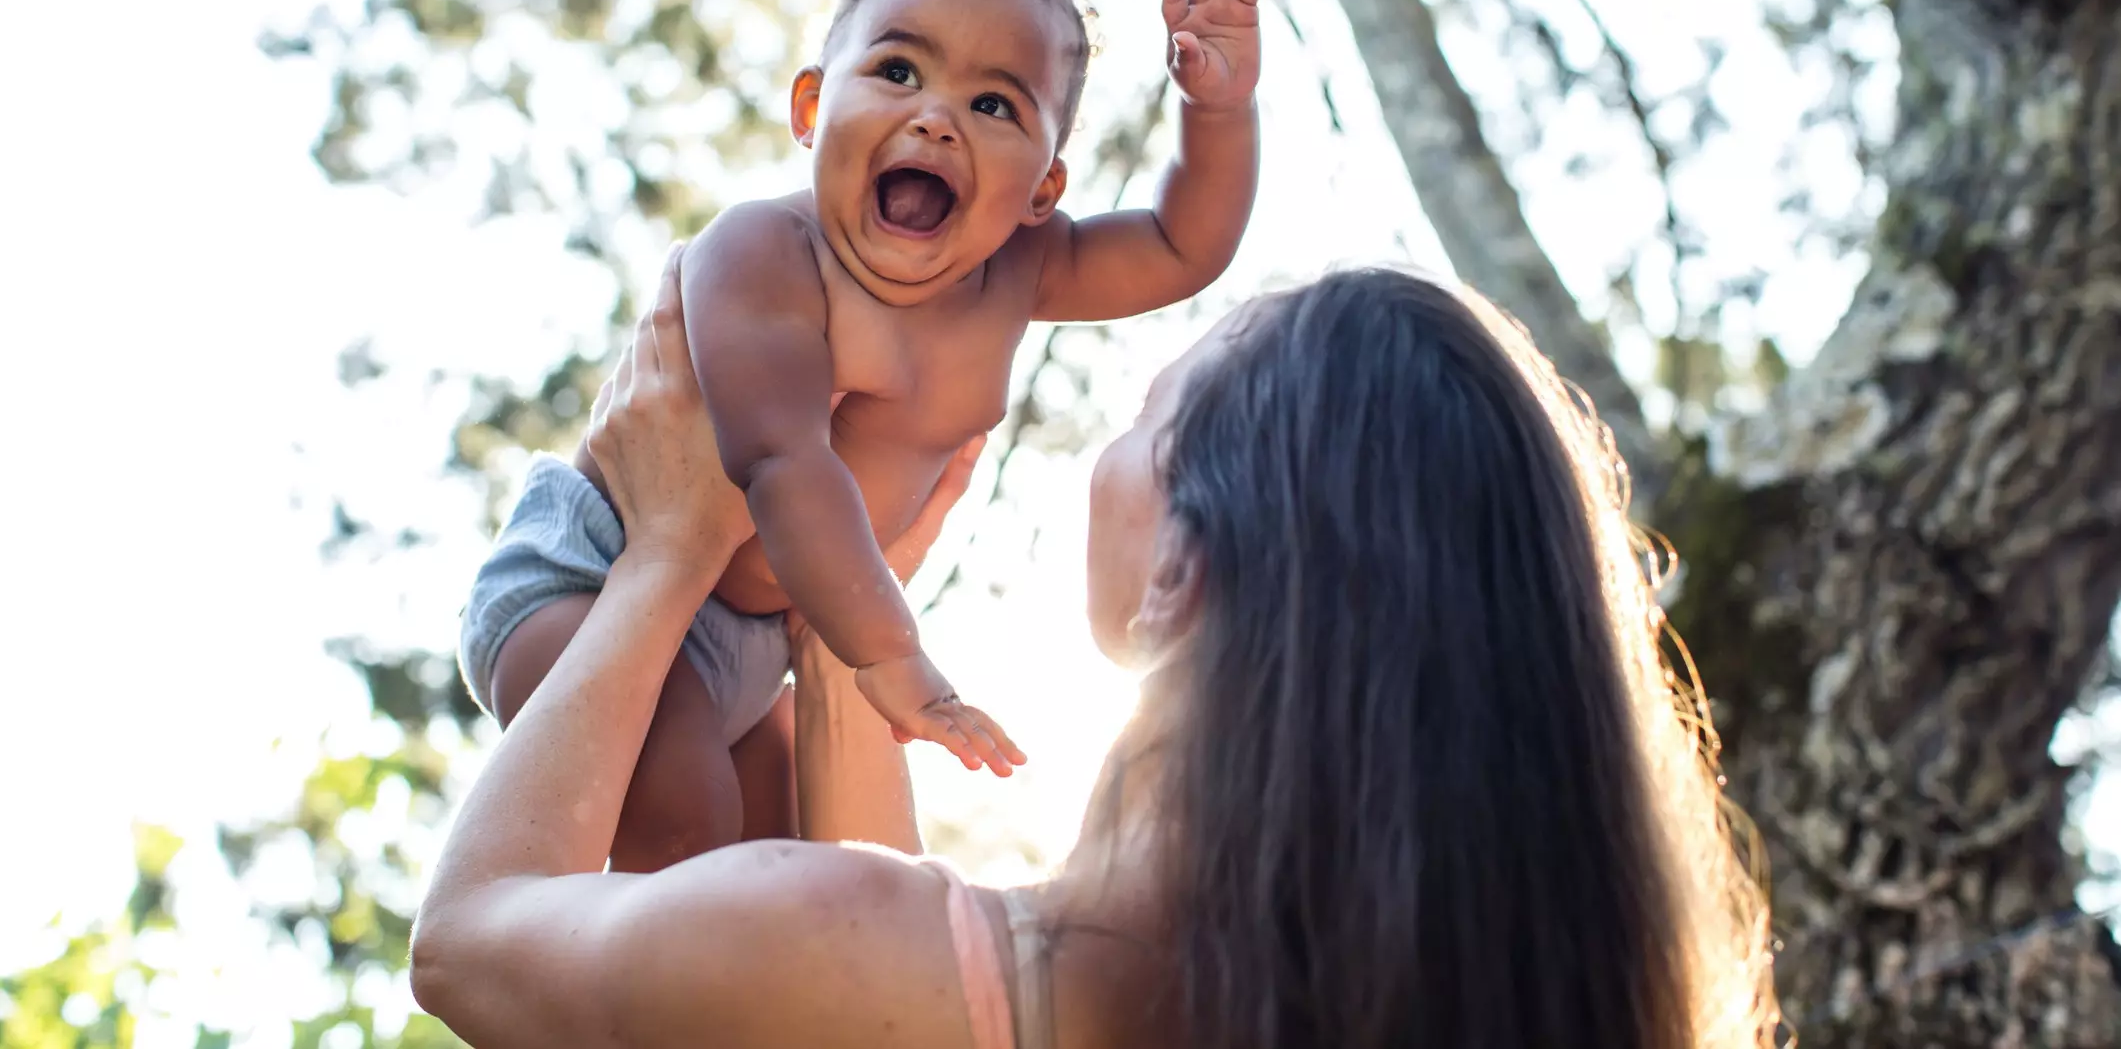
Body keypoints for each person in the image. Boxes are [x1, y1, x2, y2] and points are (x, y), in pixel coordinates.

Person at [412, 253, 1780, 1049]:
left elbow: (472, 944)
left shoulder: (905, 967)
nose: (1099, 457)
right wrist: (836, 610)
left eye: (1141, 419)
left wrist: (667, 550)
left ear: (1184, 561)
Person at [456, 0, 1265, 868]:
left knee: (778, 874)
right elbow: (781, 461)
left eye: (995, 102)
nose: (935, 118)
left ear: (1041, 188)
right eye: (897, 72)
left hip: (762, 643)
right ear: (809, 106)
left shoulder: (1022, 271)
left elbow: (1180, 246)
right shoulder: (765, 257)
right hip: (592, 584)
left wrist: (1217, 110)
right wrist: (889, 653)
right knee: (684, 823)